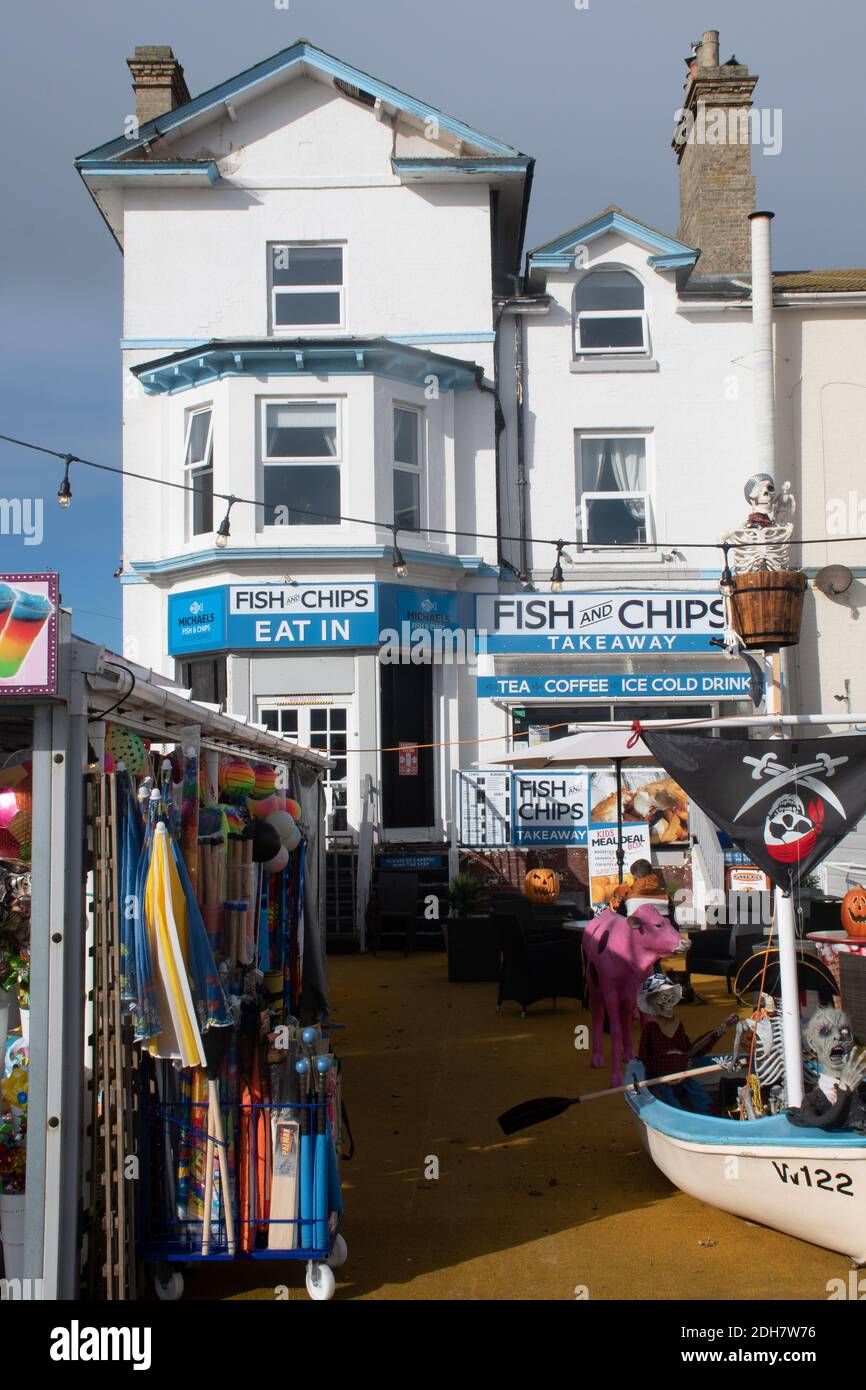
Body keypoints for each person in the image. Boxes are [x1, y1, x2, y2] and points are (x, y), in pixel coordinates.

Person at [637, 973, 738, 1113]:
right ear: (653, 1002)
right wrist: (666, 1074)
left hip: (682, 1077)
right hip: (659, 1080)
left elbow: (692, 1051)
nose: (668, 1003)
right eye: (663, 998)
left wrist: (722, 1028)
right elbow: (644, 1059)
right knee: (671, 1106)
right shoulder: (650, 1028)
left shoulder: (678, 1026)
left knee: (704, 1099)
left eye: (670, 997)